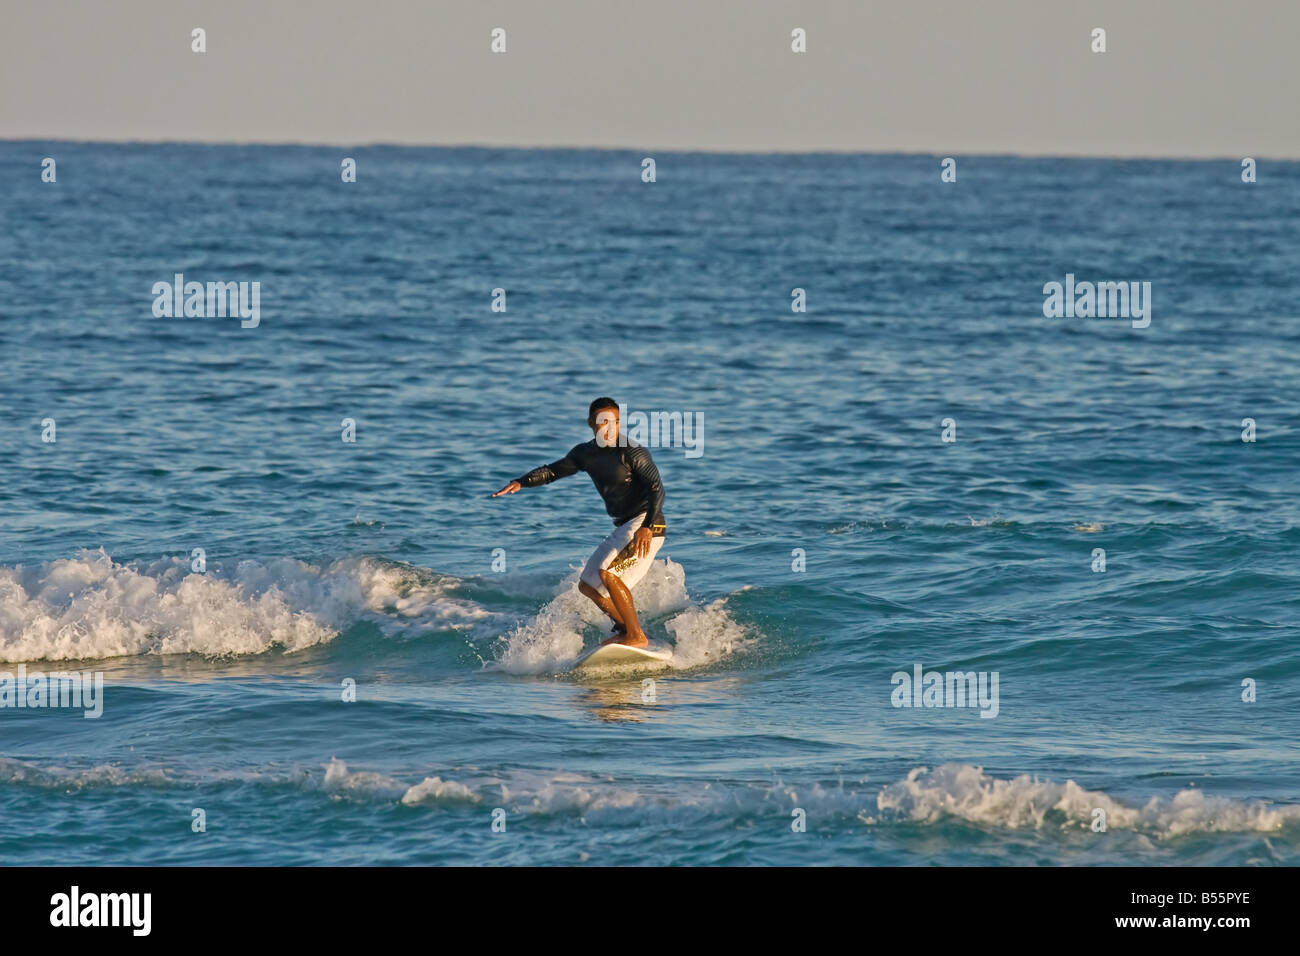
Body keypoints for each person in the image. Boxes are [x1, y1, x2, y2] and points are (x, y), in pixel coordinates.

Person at [493, 397, 667, 647]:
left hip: (645, 522)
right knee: (587, 585)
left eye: (615, 422)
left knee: (608, 574)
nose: (610, 428)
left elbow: (657, 489)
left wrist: (647, 528)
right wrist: (522, 481)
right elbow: (553, 471)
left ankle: (636, 636)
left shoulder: (631, 451)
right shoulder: (586, 454)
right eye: (603, 422)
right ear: (591, 424)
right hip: (624, 525)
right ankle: (624, 628)